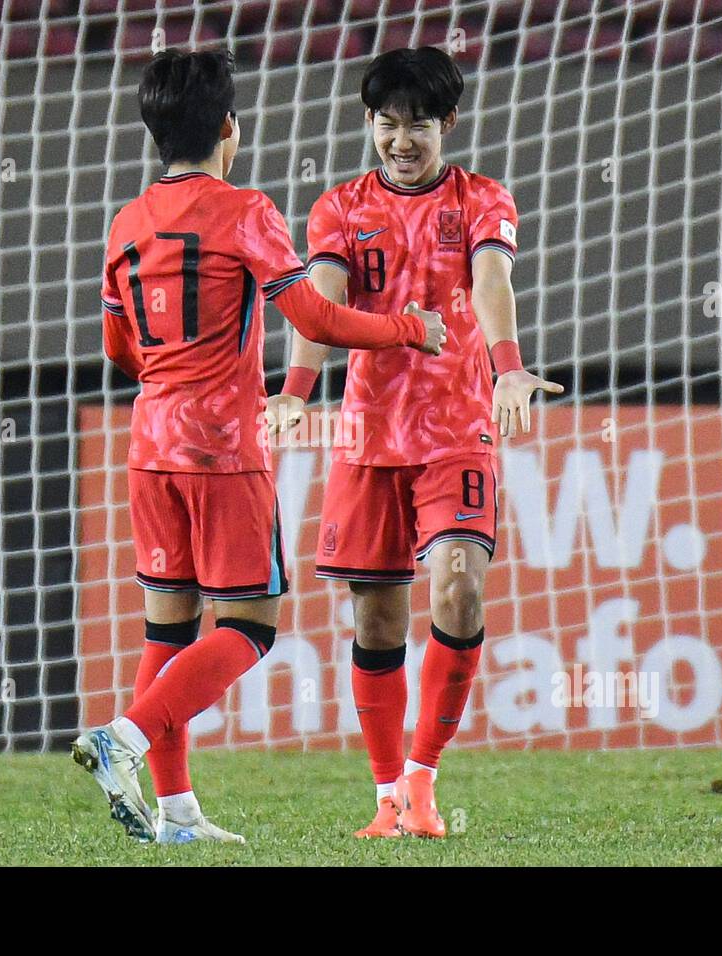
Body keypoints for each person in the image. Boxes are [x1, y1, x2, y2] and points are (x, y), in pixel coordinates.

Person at [75, 48, 445, 844]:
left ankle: (176, 815)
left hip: (148, 445)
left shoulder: (126, 222)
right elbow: (314, 318)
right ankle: (126, 740)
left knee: (169, 632)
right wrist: (408, 328)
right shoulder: (246, 211)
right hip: (220, 450)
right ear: (230, 129)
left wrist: (168, 377)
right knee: (248, 626)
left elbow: (117, 348)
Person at [268, 47, 563, 838]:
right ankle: (386, 797)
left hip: (455, 432)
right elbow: (323, 304)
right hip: (369, 437)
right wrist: (296, 393)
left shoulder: (480, 200)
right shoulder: (337, 208)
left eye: (419, 125)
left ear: (448, 125)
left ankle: (424, 782)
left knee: (460, 588)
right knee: (377, 625)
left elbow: (493, 282)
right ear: (370, 124)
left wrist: (509, 369)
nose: (402, 140)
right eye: (387, 124)